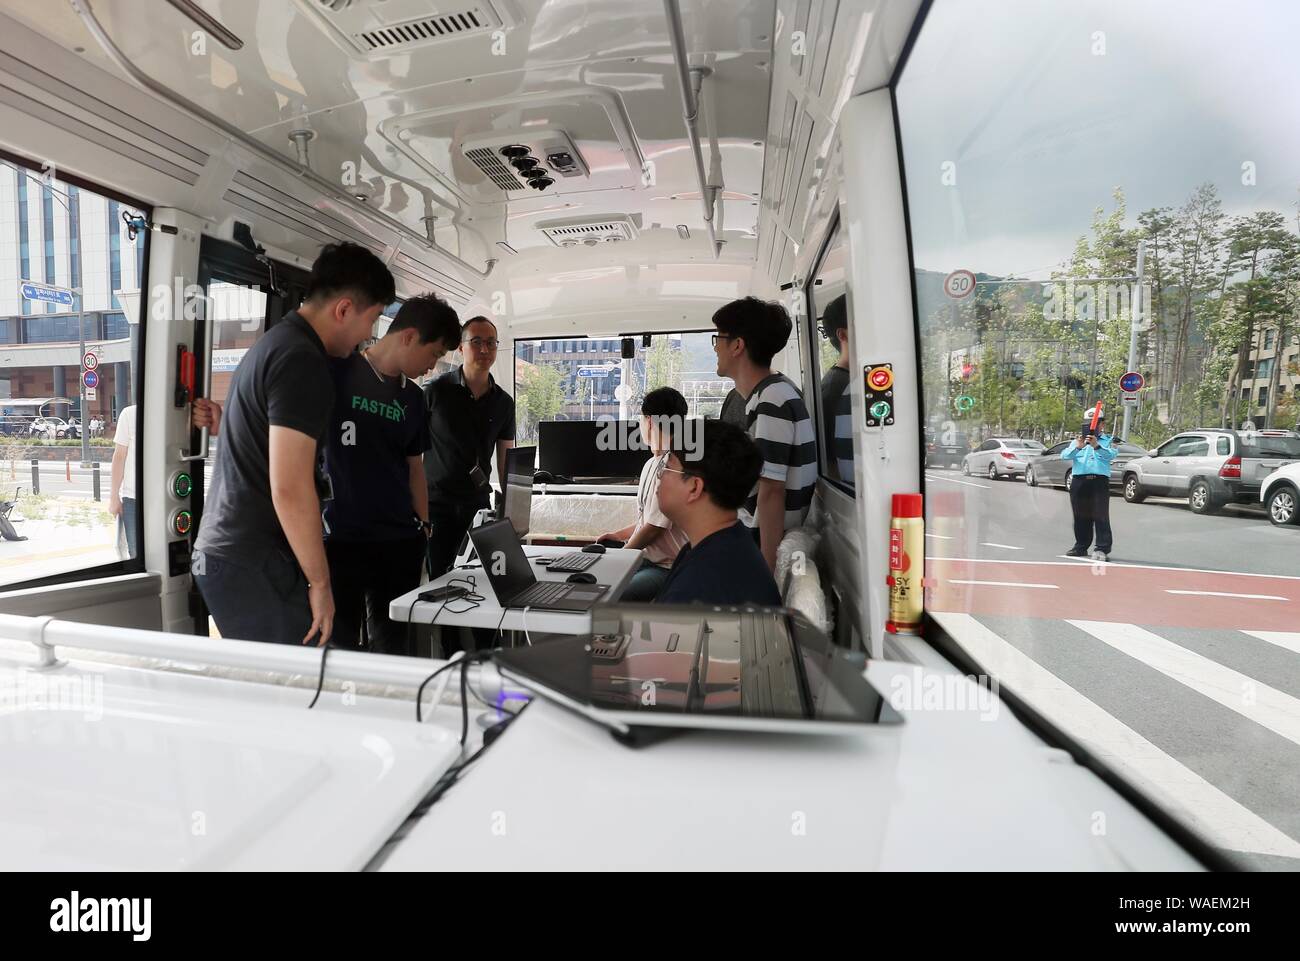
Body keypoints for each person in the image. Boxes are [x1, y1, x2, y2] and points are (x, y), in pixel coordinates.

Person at [195, 293, 460, 656]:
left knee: (394, 648)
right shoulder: (334, 373)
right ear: (410, 337)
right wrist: (224, 421)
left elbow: (415, 467)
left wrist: (425, 527)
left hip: (398, 540)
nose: (432, 367)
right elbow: (283, 435)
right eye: (433, 355)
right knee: (338, 645)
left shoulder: (413, 399)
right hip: (338, 539)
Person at [191, 241, 396, 646]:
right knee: (313, 680)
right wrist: (320, 584)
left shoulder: (274, 343)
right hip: (249, 557)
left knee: (303, 682)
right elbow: (289, 486)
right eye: (372, 319)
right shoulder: (302, 361)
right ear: (344, 309)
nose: (369, 335)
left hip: (235, 553)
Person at [711, 296, 817, 572]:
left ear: (737, 345)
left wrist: (767, 571)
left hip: (760, 542)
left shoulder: (772, 399)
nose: (715, 349)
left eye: (718, 339)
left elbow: (772, 490)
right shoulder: (777, 390)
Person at [423, 315, 516, 583]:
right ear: (461, 348)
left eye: (491, 343)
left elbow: (506, 458)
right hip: (436, 505)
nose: (485, 349)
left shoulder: (503, 403)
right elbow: (412, 453)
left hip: (477, 504)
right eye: (476, 342)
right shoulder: (436, 392)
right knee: (440, 583)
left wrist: (511, 509)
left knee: (481, 581)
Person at [653, 419, 781, 606]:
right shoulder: (727, 545)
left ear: (694, 487)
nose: (660, 477)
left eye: (666, 467)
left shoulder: (698, 589)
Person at [596, 387, 691, 601]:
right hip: (646, 557)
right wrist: (618, 536)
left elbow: (653, 529)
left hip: (666, 567)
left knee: (610, 595)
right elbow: (648, 520)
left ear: (648, 421)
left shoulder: (673, 466)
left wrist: (621, 557)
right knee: (595, 577)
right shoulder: (651, 463)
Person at [1061, 406, 1117, 560]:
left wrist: (1096, 446)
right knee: (1080, 516)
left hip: (1099, 482)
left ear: (1102, 425)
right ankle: (1081, 546)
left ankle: (1102, 548)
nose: (1090, 427)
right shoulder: (1077, 441)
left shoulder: (1108, 441)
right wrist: (1078, 448)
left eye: (1095, 423)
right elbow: (1064, 456)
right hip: (1079, 481)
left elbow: (1110, 455)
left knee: (1100, 515)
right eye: (1087, 424)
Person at [108, 404, 137, 558]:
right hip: (133, 499)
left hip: (165, 498)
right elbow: (119, 456)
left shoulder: (172, 414)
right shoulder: (129, 414)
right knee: (136, 554)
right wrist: (114, 497)